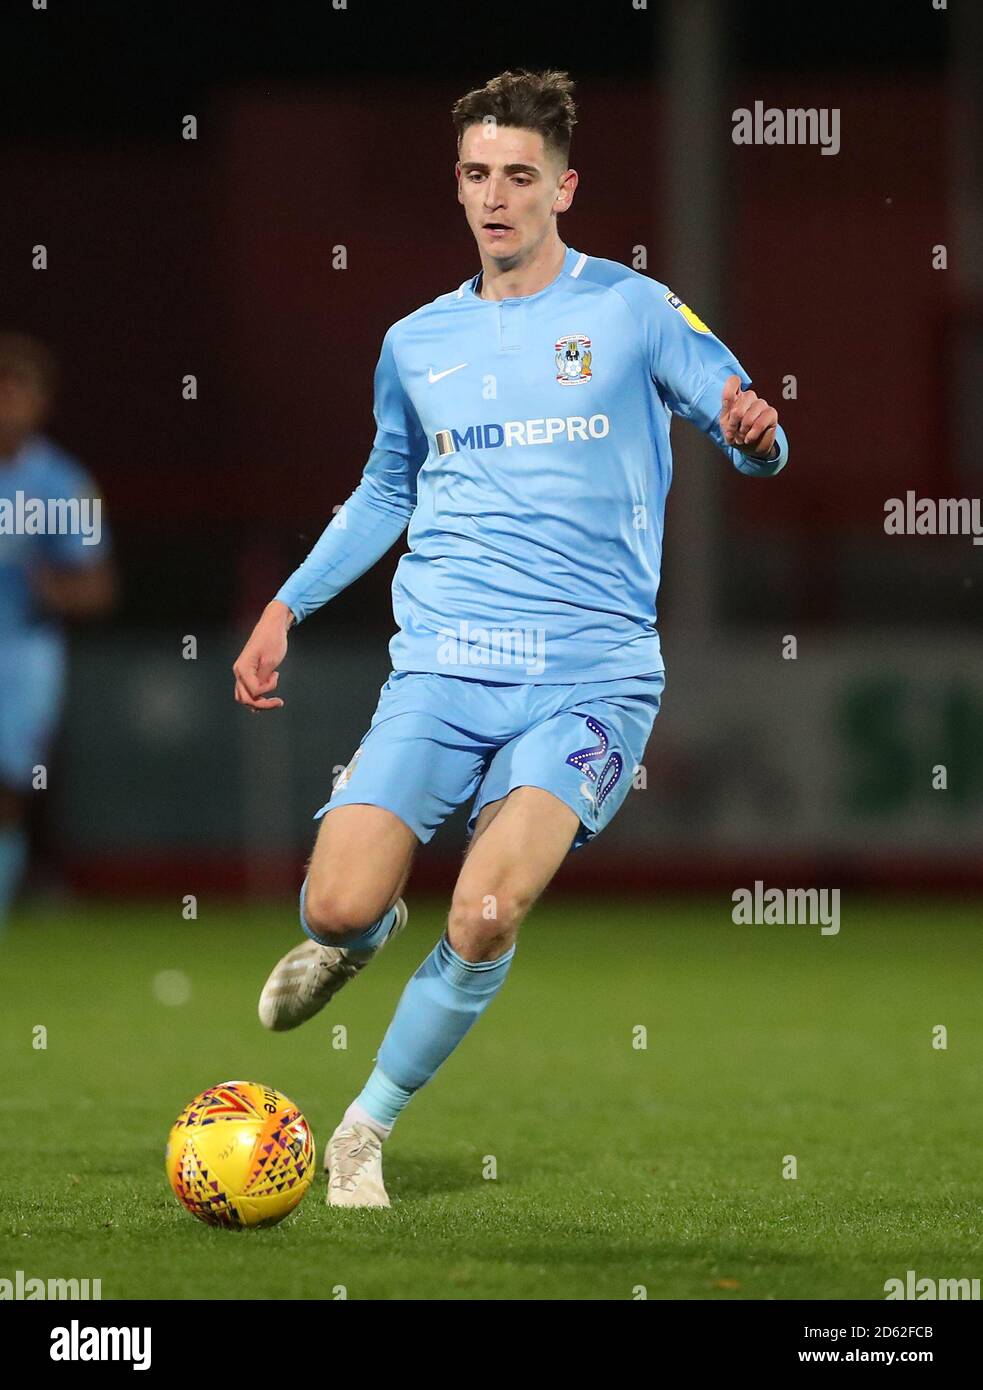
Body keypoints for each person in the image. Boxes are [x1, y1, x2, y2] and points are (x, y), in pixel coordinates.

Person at [232, 69, 788, 1207]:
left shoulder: (632, 311)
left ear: (564, 188)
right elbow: (384, 491)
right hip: (441, 668)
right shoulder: (416, 342)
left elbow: (743, 426)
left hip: (589, 678)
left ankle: (361, 1131)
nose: (496, 196)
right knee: (334, 904)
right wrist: (287, 604)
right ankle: (359, 930)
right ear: (459, 183)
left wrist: (755, 436)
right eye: (477, 174)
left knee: (486, 909)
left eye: (519, 177)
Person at [0, 332, 116, 924]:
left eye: (20, 390)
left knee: (9, 786)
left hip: (22, 651)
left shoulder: (61, 483)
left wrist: (56, 588)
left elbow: (98, 586)